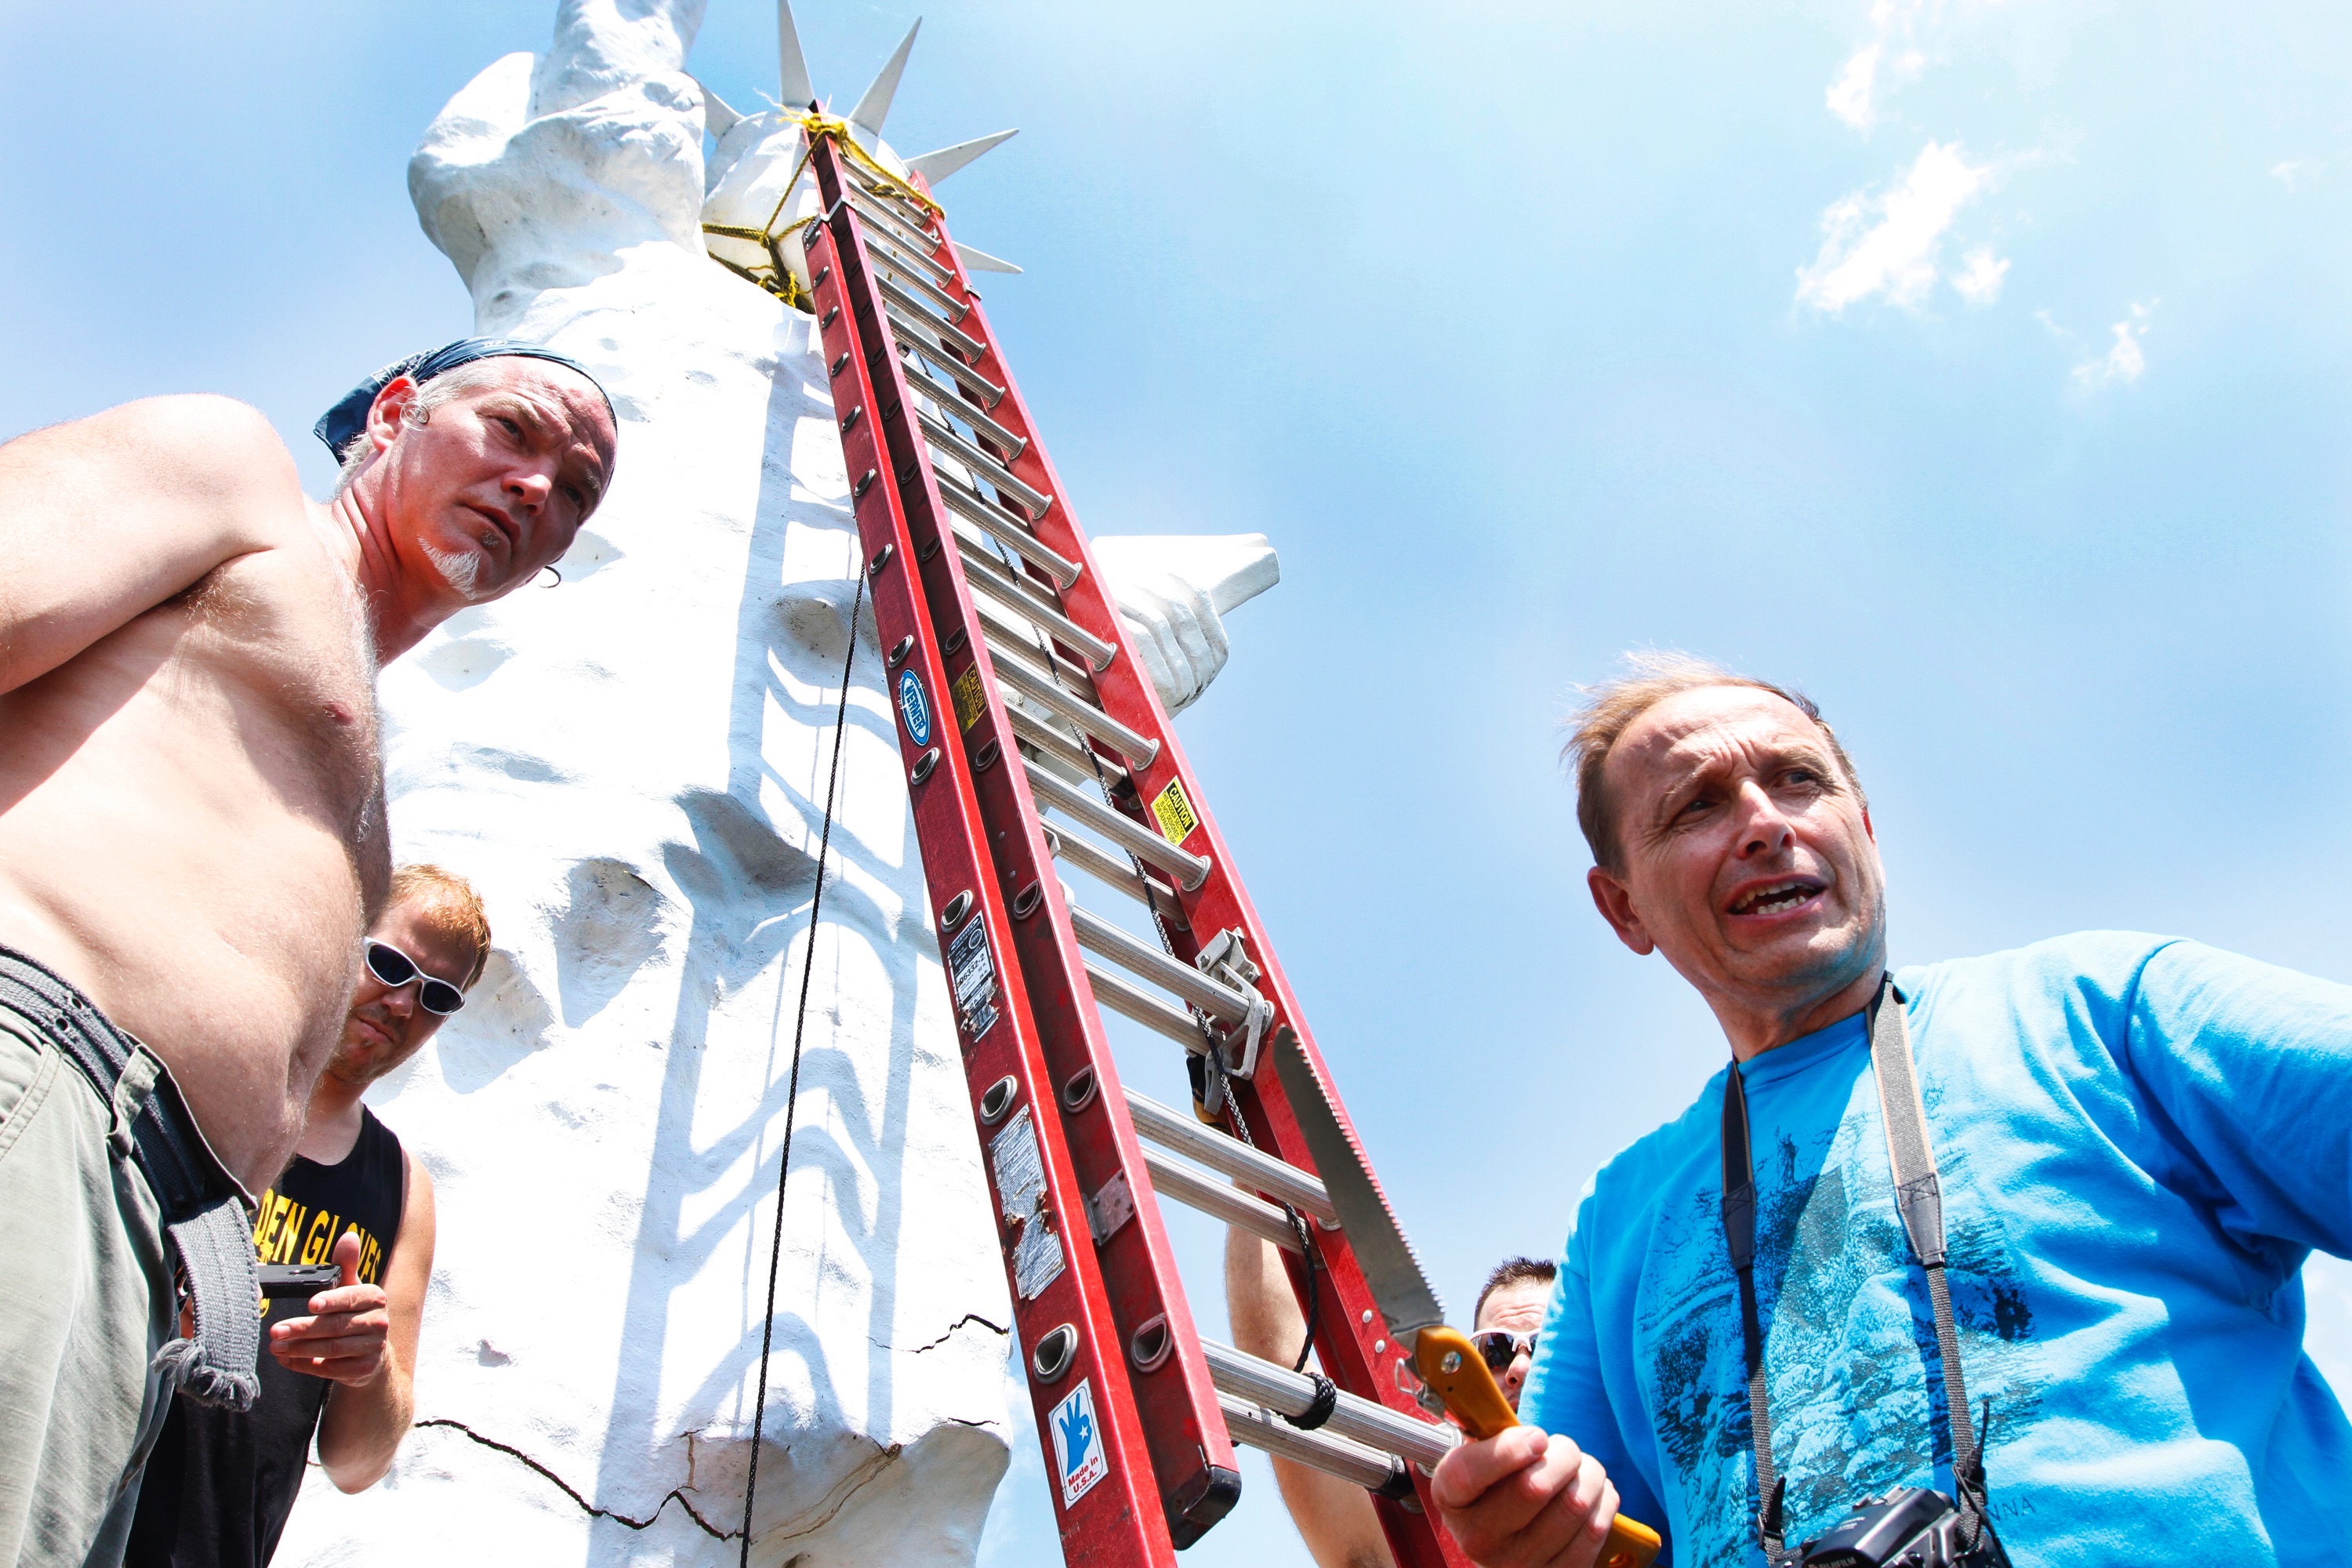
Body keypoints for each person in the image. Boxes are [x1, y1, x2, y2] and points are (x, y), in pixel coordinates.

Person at [1431, 652, 2352, 1567]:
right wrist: (1532, 1527)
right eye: (1697, 805)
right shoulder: (1617, 1215)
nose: (1763, 821)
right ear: (1623, 907)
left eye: (1799, 779)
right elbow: (1581, 1540)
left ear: (1864, 827)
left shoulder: (2099, 1008)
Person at [0, 339, 613, 1567]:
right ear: (395, 412)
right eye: (515, 432)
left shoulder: (360, 774)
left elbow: (360, 1447)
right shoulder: (238, 479)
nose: (541, 487)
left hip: (159, 1238)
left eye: (579, 489)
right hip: (42, 1075)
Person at [125, 864, 485, 1566]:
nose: (403, 1002)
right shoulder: (187, 1079)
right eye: (389, 963)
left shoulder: (404, 1190)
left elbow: (357, 1465)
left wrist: (367, 1367)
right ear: (338, 940)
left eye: (438, 995)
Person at [1226, 1236, 1558, 1568]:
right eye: (1495, 1350)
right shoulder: (1426, 1501)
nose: (1519, 1368)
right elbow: (1284, 1372)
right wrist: (1250, 1187)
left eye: (1545, 1348)